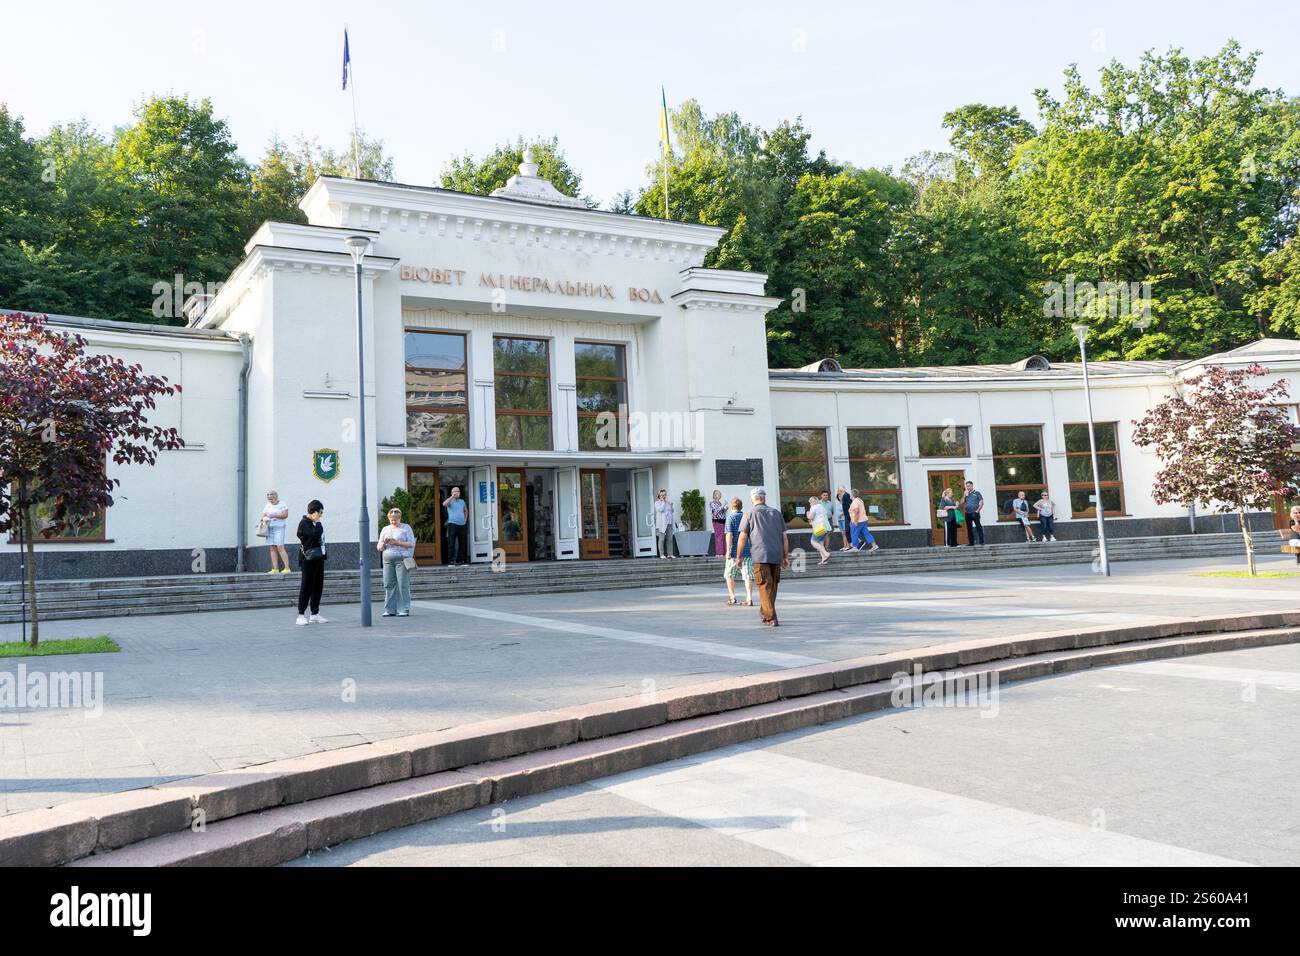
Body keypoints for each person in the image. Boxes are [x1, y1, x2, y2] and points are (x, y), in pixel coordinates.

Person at [735, 488, 789, 627]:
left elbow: (742, 537)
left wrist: (738, 556)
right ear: (764, 498)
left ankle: (771, 617)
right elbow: (784, 537)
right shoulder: (776, 513)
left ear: (752, 499)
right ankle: (765, 613)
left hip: (760, 555)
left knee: (765, 586)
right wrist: (785, 556)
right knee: (772, 587)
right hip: (776, 554)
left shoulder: (749, 514)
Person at [377, 507, 416, 617]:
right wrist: (384, 543)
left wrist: (397, 542)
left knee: (402, 584)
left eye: (395, 519)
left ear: (400, 518)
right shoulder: (385, 529)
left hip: (402, 559)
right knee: (388, 584)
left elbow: (411, 543)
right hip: (387, 560)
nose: (393, 522)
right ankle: (389, 610)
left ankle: (403, 609)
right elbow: (379, 547)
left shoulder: (406, 528)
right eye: (391, 519)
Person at [295, 500, 328, 626]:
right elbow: (314, 535)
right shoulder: (304, 523)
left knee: (317, 586)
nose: (321, 515)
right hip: (308, 560)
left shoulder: (315, 524)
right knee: (306, 586)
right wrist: (318, 524)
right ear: (314, 511)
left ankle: (315, 614)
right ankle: (301, 614)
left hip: (318, 558)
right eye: (320, 512)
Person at [723, 497, 754, 607]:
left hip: (734, 553)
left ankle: (732, 597)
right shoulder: (746, 517)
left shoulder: (730, 517)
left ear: (732, 506)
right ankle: (749, 598)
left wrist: (727, 550)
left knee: (729, 575)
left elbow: (729, 534)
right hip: (746, 551)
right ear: (741, 507)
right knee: (748, 576)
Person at [262, 490, 290, 574]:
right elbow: (264, 516)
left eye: (271, 496)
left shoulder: (282, 504)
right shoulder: (267, 506)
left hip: (279, 527)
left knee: (280, 547)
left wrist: (274, 515)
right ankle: (275, 569)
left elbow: (285, 515)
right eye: (268, 496)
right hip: (270, 527)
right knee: (272, 548)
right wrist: (265, 519)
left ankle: (287, 568)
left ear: (275, 496)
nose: (270, 498)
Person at [443, 486, 469, 565]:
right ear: (451, 493)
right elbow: (444, 504)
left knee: (462, 543)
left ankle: (460, 560)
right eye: (455, 491)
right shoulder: (450, 501)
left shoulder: (462, 501)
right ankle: (451, 561)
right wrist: (452, 497)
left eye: (458, 491)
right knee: (451, 543)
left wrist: (465, 520)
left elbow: (465, 510)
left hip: (461, 525)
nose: (457, 493)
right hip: (452, 524)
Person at [806, 496, 832, 566]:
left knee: (813, 542)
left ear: (812, 502)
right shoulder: (821, 506)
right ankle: (824, 560)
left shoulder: (813, 507)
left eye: (810, 503)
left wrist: (807, 514)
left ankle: (826, 554)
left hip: (819, 528)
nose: (810, 504)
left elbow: (810, 517)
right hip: (827, 528)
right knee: (820, 543)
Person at [654, 489, 677, 559]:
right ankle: (661, 554)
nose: (664, 496)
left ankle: (670, 554)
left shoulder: (667, 502)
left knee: (670, 538)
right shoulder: (657, 503)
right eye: (662, 495)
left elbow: (671, 511)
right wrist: (663, 502)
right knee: (661, 539)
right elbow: (661, 509)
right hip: (661, 524)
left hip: (669, 523)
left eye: (665, 495)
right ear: (659, 495)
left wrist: (671, 506)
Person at [963, 480, 985, 546]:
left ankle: (982, 542)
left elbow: (981, 503)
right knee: (969, 528)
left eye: (969, 486)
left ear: (972, 486)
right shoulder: (966, 494)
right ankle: (971, 543)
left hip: (975, 513)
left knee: (978, 527)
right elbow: (961, 503)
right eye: (966, 486)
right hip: (967, 513)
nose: (967, 487)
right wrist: (964, 495)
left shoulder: (977, 493)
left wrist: (977, 511)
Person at [709, 490, 728, 558]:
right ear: (715, 495)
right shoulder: (712, 503)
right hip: (717, 521)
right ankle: (718, 552)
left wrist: (725, 509)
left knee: (722, 536)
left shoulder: (719, 503)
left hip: (722, 520)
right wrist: (723, 505)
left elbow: (721, 512)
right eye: (719, 494)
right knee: (719, 537)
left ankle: (723, 552)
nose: (720, 495)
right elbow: (716, 512)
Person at [839, 486, 855, 551]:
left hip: (848, 517)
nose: (839, 492)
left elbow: (850, 505)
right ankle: (851, 545)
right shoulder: (844, 496)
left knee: (847, 531)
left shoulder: (846, 495)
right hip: (847, 516)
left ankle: (852, 545)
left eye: (840, 490)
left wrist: (849, 515)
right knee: (848, 531)